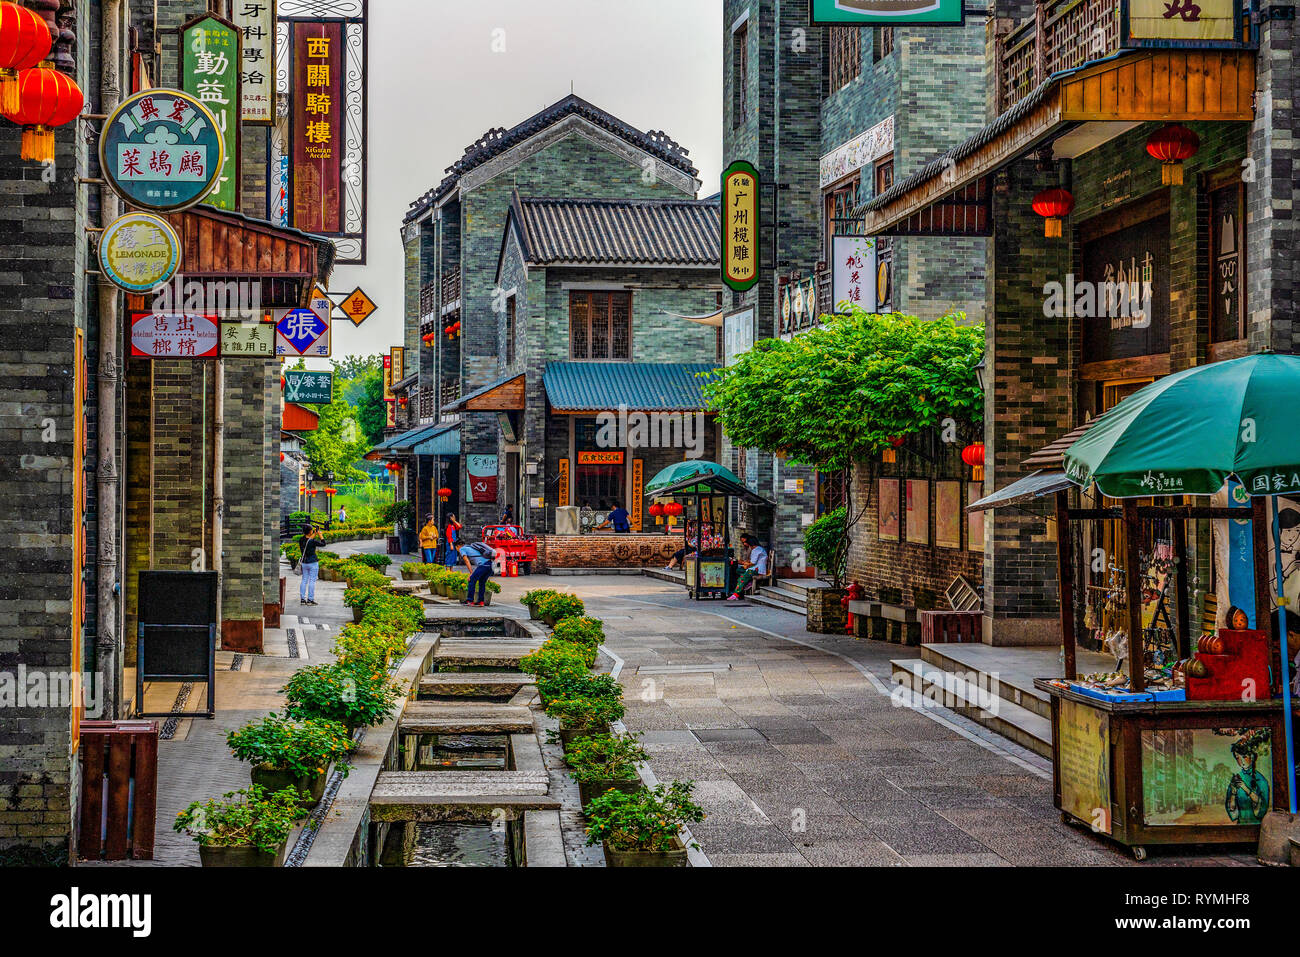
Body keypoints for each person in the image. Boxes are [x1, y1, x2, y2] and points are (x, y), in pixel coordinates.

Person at [727, 533, 769, 601]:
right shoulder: (759, 549)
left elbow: (752, 563)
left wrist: (745, 564)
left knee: (742, 578)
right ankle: (748, 582)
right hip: (755, 568)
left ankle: (736, 594)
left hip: (757, 570)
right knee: (739, 571)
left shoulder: (756, 550)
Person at [459, 535, 496, 606]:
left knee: (472, 580)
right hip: (490, 565)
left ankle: (470, 601)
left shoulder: (462, 549)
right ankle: (481, 601)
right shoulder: (472, 547)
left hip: (483, 565)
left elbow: (466, 560)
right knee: (482, 582)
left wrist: (471, 573)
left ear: (458, 546)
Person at [299, 526, 322, 605]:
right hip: (313, 562)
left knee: (304, 580)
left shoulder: (301, 540)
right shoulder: (313, 541)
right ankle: (310, 599)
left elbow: (307, 540)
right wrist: (320, 535)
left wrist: (314, 534)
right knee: (312, 580)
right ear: (310, 532)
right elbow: (323, 543)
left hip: (304, 563)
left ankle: (302, 599)